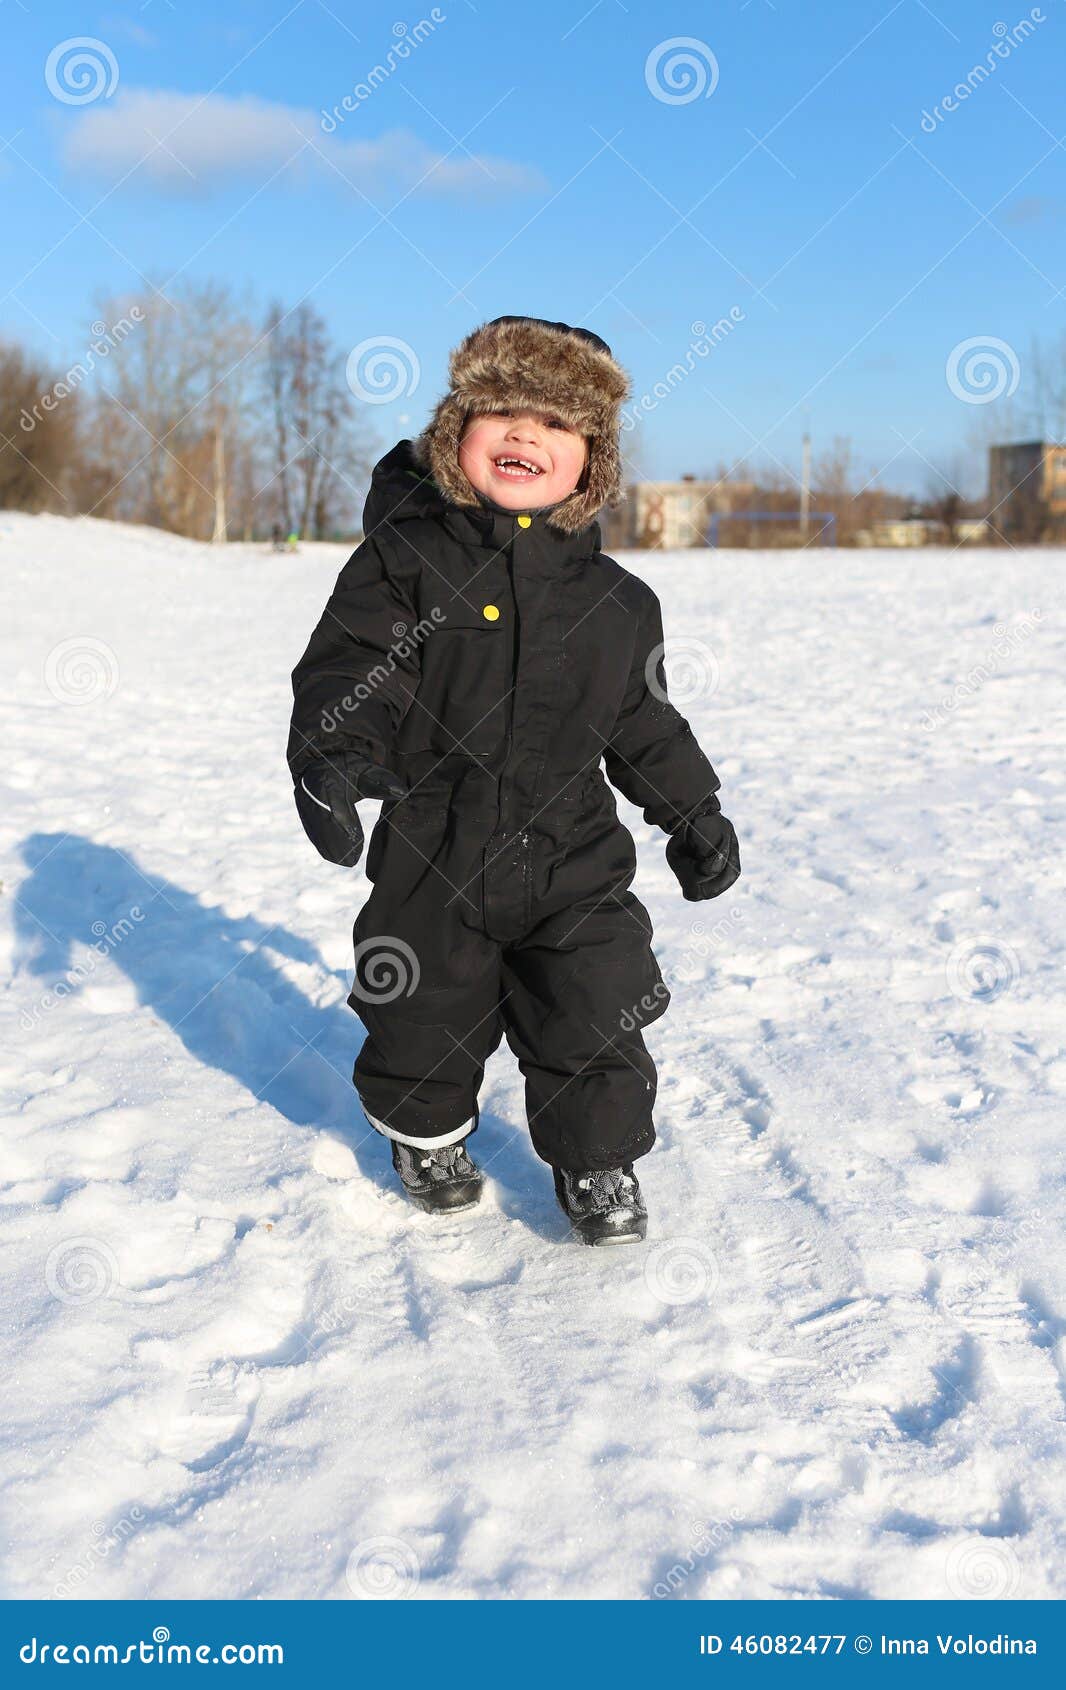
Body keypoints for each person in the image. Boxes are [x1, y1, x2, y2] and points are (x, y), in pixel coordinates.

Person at [286, 316, 740, 1245]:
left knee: (595, 1005)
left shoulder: (618, 601)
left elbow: (644, 721)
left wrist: (695, 812)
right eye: (500, 410)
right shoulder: (402, 564)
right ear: (456, 433)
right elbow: (350, 669)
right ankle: (428, 1132)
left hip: (574, 852)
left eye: (559, 424)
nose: (527, 433)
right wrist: (332, 760)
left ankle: (596, 1157)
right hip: (434, 846)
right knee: (422, 1011)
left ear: (592, 465)